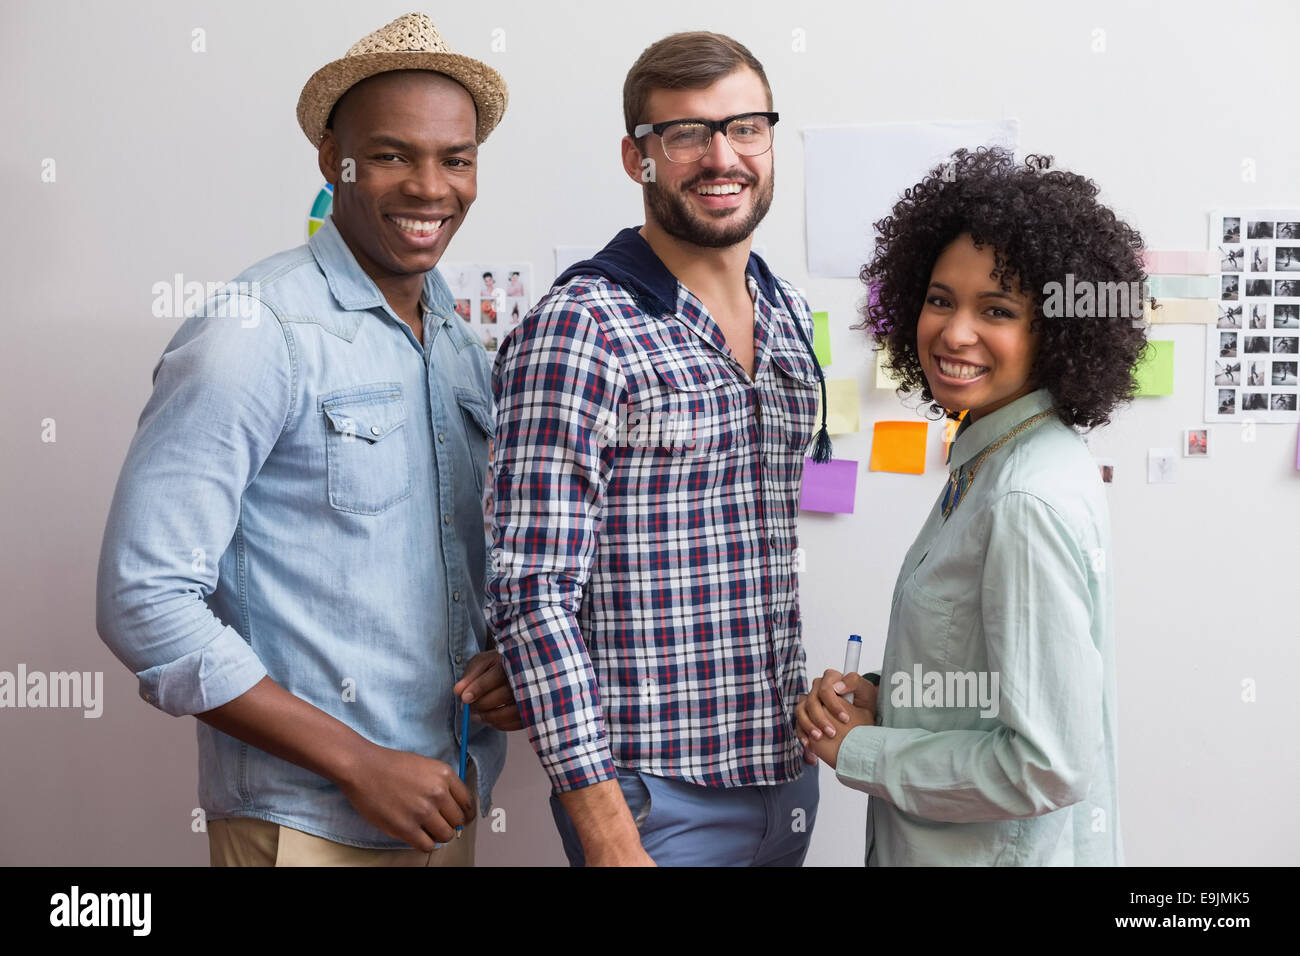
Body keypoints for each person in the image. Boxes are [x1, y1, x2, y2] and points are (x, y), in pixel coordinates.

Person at [96, 13, 520, 867]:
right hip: (306, 825)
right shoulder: (257, 330)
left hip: (448, 805)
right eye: (395, 154)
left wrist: (503, 660)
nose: (431, 188)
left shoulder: (460, 343)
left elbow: (442, 563)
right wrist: (359, 762)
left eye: (457, 158)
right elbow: (143, 599)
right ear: (336, 161)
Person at [488, 31, 830, 867]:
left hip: (785, 772)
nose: (723, 156)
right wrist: (606, 827)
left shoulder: (783, 312)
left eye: (746, 127)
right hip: (653, 800)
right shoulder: (581, 328)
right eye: (686, 134)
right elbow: (533, 592)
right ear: (637, 157)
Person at [797, 146, 1143, 866]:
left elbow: (1048, 763)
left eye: (998, 310)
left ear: (1054, 330)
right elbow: (998, 680)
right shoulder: (1003, 457)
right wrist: (883, 695)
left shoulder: (1022, 497)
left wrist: (864, 751)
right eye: (939, 299)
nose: (955, 334)